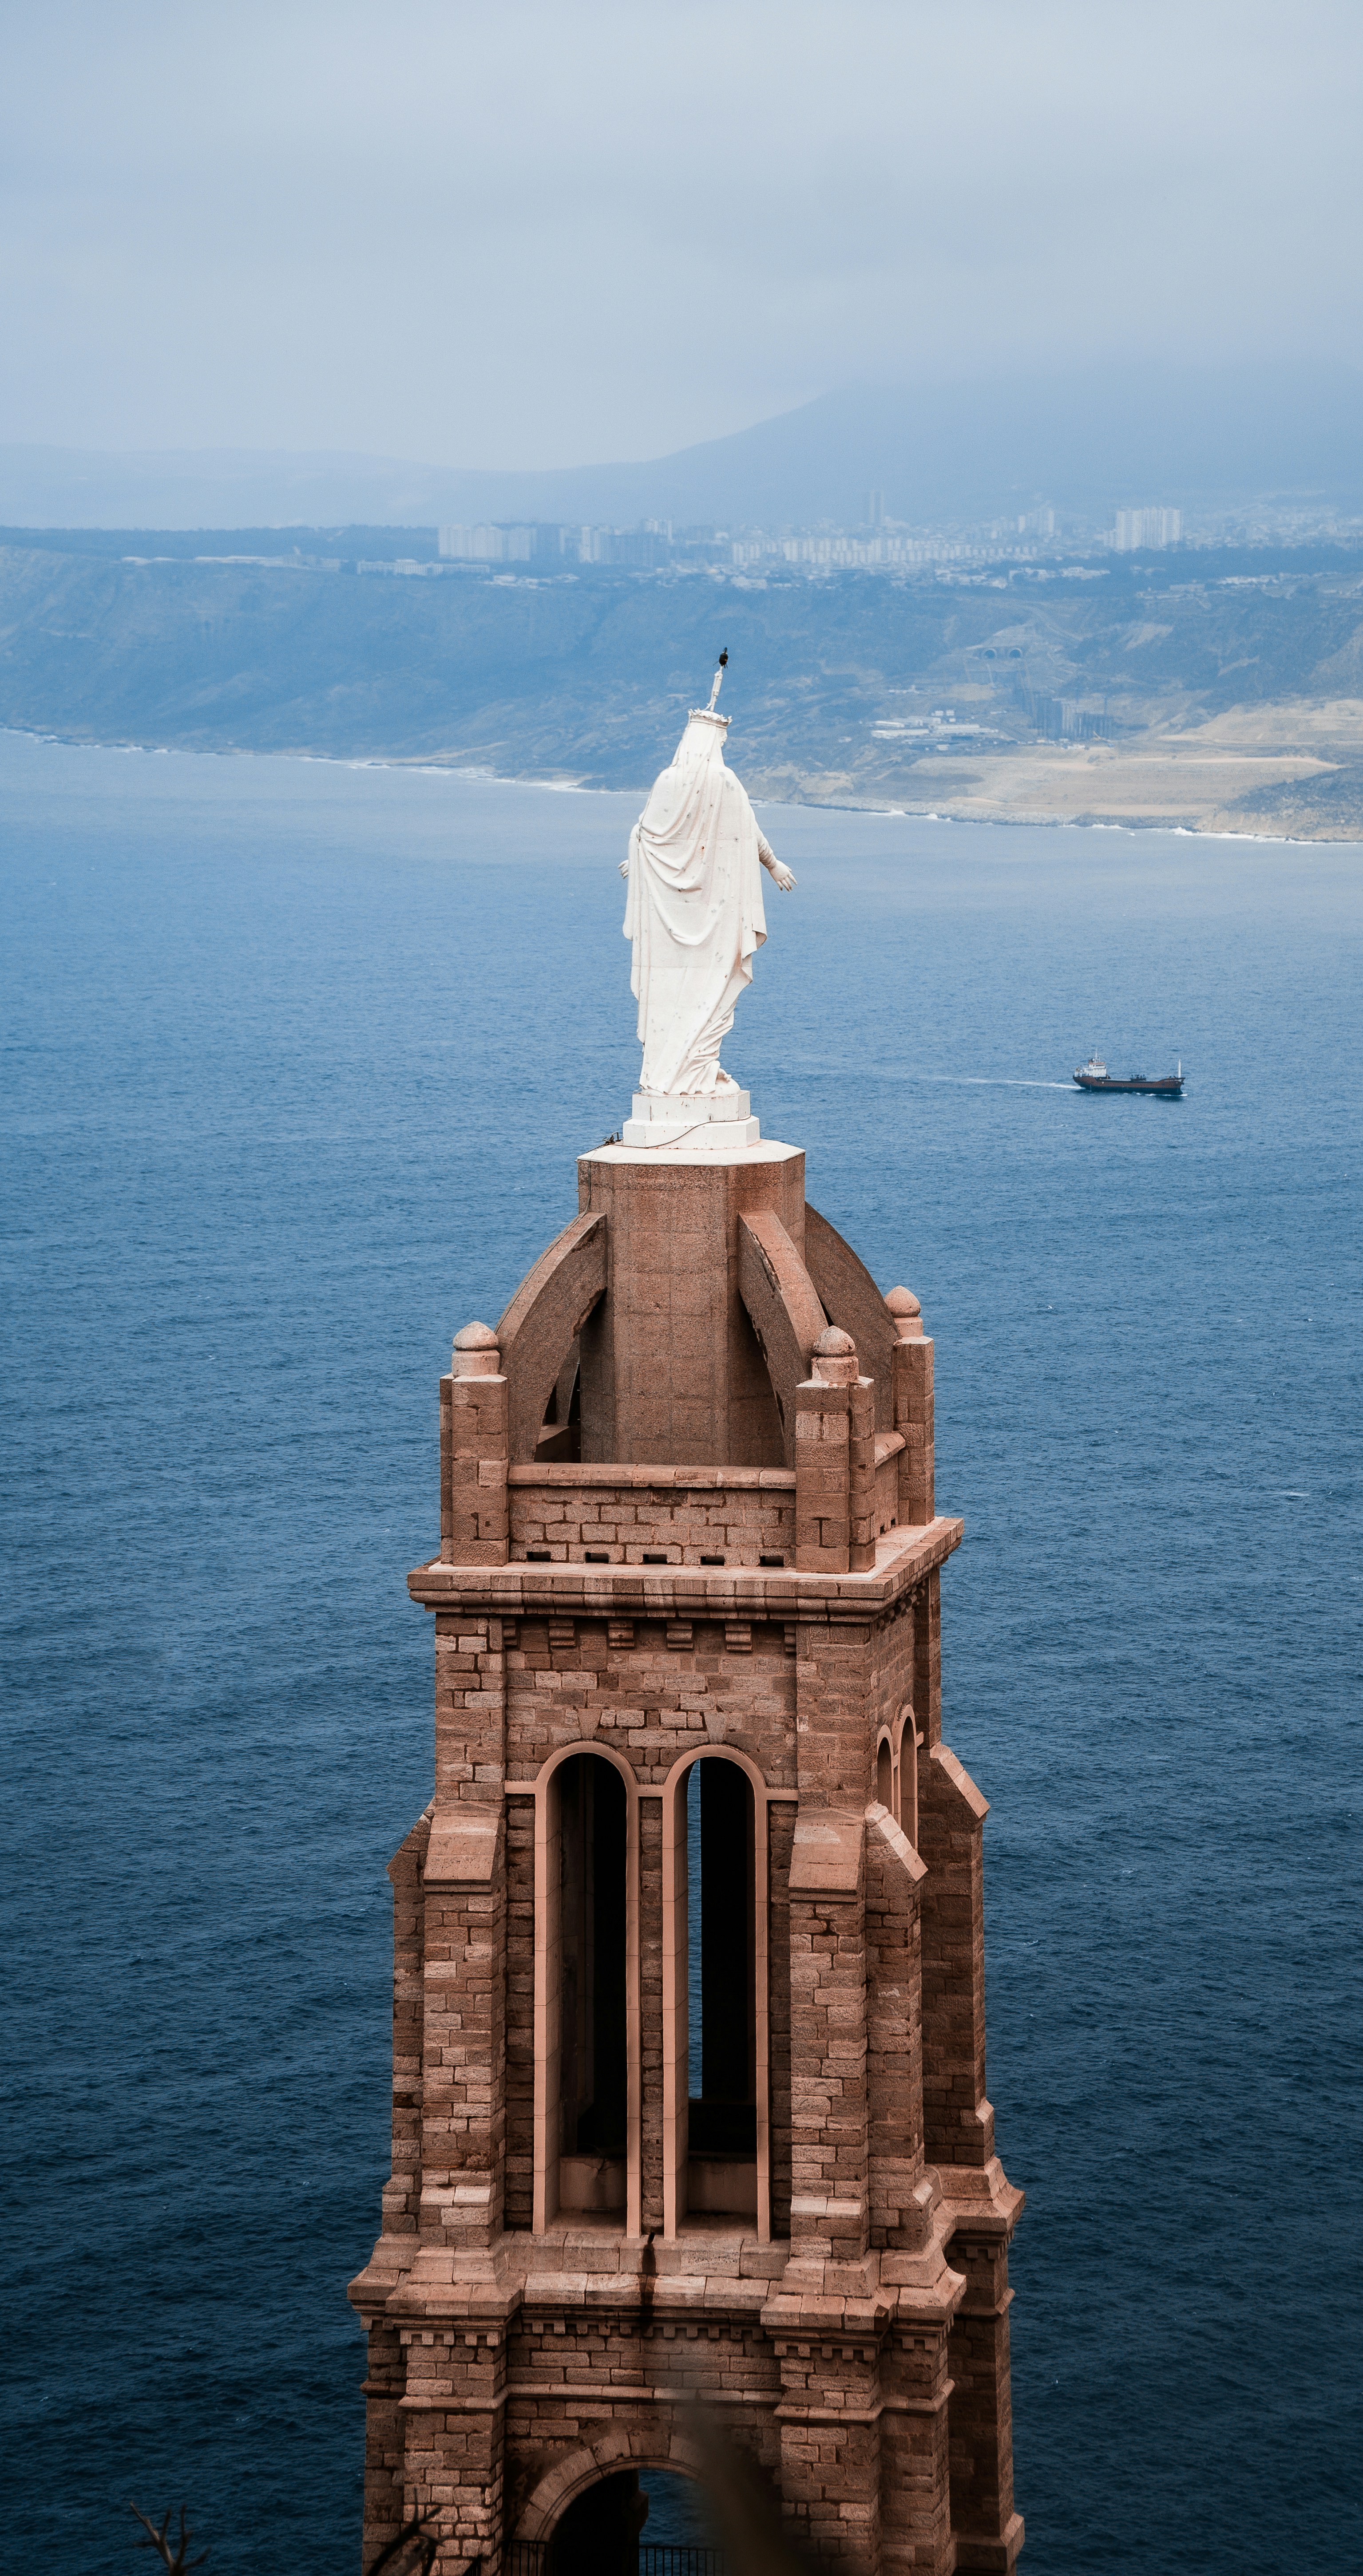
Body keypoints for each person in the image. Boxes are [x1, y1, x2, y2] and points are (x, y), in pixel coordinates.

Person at [620, 681, 795, 1099]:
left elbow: (645, 832)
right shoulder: (727, 783)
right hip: (715, 911)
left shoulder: (667, 779)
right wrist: (773, 865)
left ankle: (678, 1074)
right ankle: (694, 1072)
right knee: (709, 993)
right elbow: (749, 833)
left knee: (672, 995)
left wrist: (640, 861)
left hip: (668, 910)